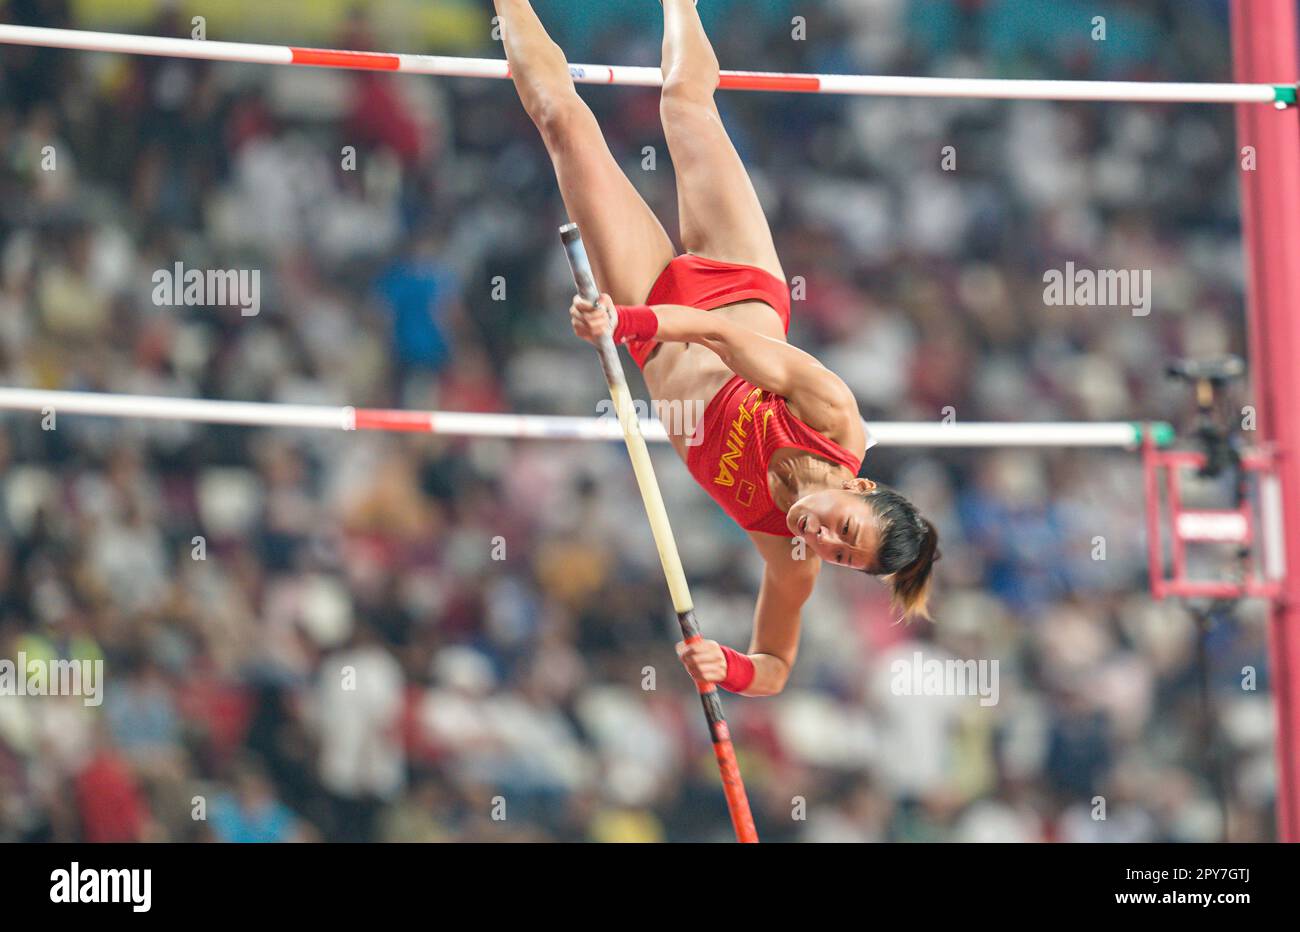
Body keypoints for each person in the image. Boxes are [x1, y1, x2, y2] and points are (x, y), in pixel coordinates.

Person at [494, 0, 939, 697]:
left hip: (652, 331)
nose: (822, 542)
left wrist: (727, 667)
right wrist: (629, 324)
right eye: (843, 529)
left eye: (840, 557)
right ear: (860, 487)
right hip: (730, 284)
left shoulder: (791, 561)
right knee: (685, 103)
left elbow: (777, 666)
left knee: (562, 121)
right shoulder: (834, 419)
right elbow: (725, 337)